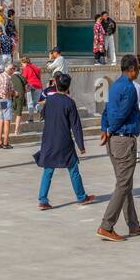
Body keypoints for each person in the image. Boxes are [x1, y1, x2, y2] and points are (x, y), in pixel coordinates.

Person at [97, 55, 140, 241]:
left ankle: (133, 224)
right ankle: (106, 225)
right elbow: (120, 116)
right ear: (132, 69)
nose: (138, 72)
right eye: (137, 69)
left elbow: (107, 110)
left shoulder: (116, 85)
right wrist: (109, 130)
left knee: (125, 184)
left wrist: (104, 128)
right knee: (123, 184)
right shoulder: (129, 88)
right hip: (123, 140)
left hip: (114, 141)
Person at [34, 74, 94, 209]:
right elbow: (76, 125)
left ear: (55, 84)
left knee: (48, 170)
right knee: (73, 169)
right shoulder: (69, 102)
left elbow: (43, 115)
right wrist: (81, 145)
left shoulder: (49, 100)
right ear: (68, 87)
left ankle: (43, 200)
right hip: (63, 140)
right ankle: (81, 196)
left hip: (48, 140)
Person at [0, 62, 17, 149]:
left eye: (14, 69)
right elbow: (4, 90)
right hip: (6, 100)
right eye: (12, 69)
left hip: (0, 100)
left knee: (1, 121)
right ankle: (5, 142)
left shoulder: (0, 75)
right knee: (7, 122)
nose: (13, 71)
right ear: (8, 69)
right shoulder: (6, 78)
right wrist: (13, 93)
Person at [10, 63, 28, 136]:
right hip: (20, 96)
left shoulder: (10, 77)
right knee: (18, 113)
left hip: (11, 96)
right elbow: (27, 88)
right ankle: (16, 130)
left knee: (13, 111)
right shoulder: (22, 77)